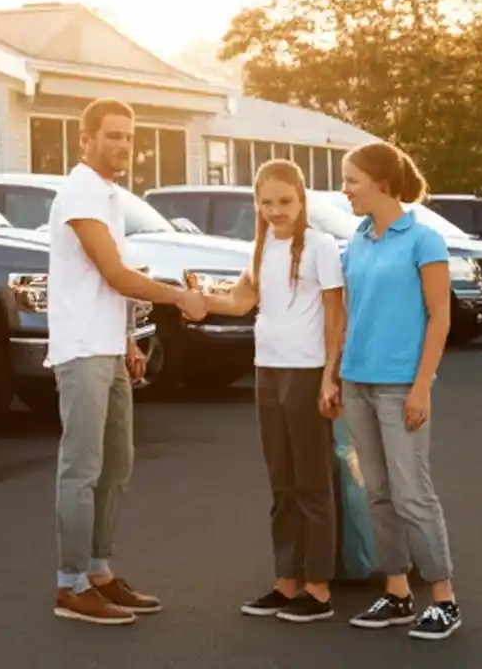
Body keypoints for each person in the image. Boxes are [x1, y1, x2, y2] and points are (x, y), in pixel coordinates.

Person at [47, 97, 207, 626]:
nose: (122, 145)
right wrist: (178, 297)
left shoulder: (110, 195)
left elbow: (107, 286)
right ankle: (70, 585)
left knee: (117, 465)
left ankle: (98, 571)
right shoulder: (78, 192)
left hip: (108, 347)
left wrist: (129, 340)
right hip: (81, 350)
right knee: (82, 468)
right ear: (85, 139)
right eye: (112, 135)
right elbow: (114, 274)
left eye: (128, 137)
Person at [201, 159, 346, 624]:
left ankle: (318, 589)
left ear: (302, 198)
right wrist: (193, 301)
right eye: (266, 203)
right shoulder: (261, 248)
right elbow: (239, 301)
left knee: (312, 483)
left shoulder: (322, 247)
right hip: (268, 371)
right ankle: (286, 583)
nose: (276, 210)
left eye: (285, 201)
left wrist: (330, 376)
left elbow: (335, 315)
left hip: (307, 373)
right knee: (281, 483)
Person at [337, 141, 461, 641]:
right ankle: (396, 593)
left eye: (351, 180)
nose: (344, 189)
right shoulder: (359, 239)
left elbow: (440, 318)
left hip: (399, 385)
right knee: (379, 494)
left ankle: (445, 600)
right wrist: (333, 375)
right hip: (356, 381)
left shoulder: (423, 240)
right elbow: (348, 315)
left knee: (413, 494)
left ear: (382, 183)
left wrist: (422, 387)